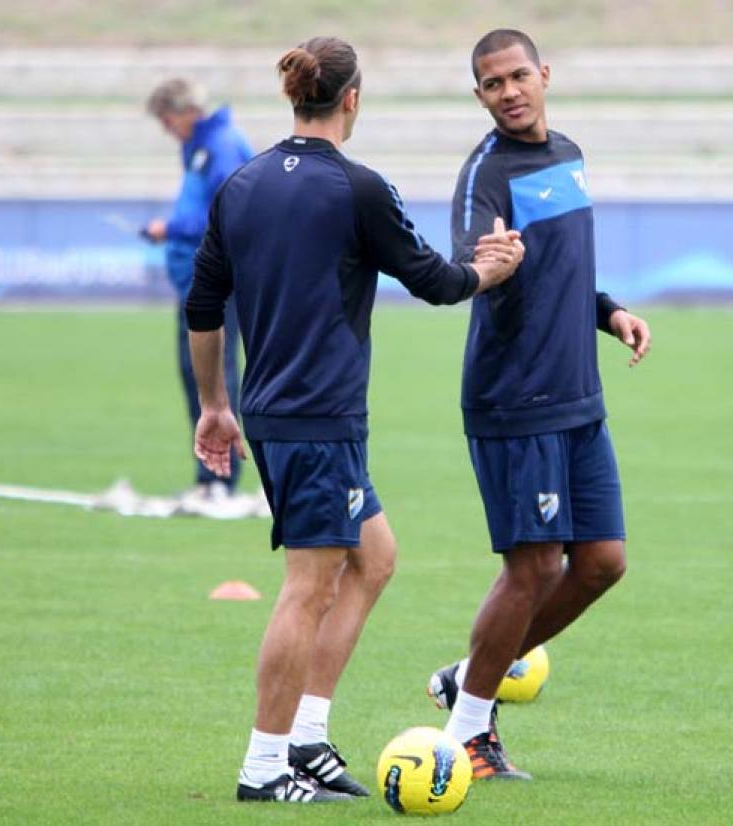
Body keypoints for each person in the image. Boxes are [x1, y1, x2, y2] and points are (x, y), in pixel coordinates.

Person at [185, 36, 525, 804]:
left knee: (374, 558)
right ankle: (264, 767)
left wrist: (215, 405)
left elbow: (203, 307)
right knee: (307, 587)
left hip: (277, 415)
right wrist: (491, 267)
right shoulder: (357, 188)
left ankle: (305, 737)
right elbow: (437, 282)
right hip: (317, 419)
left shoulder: (241, 184)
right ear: (353, 100)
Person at [425, 29, 652, 781]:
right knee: (532, 571)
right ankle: (468, 733)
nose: (510, 91)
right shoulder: (484, 174)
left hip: (579, 396)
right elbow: (469, 264)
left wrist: (610, 311)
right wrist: (492, 265)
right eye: (493, 84)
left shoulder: (570, 155)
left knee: (600, 564)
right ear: (480, 96)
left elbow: (564, 270)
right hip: (515, 398)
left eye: (519, 75)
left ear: (544, 74)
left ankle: (470, 676)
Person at [144, 78, 259, 519]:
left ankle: (220, 480)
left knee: (215, 377)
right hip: (195, 280)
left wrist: (170, 230)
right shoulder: (198, 147)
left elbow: (229, 213)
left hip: (217, 281)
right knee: (197, 376)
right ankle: (208, 476)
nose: (166, 128)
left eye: (167, 119)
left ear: (187, 111)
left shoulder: (222, 146)